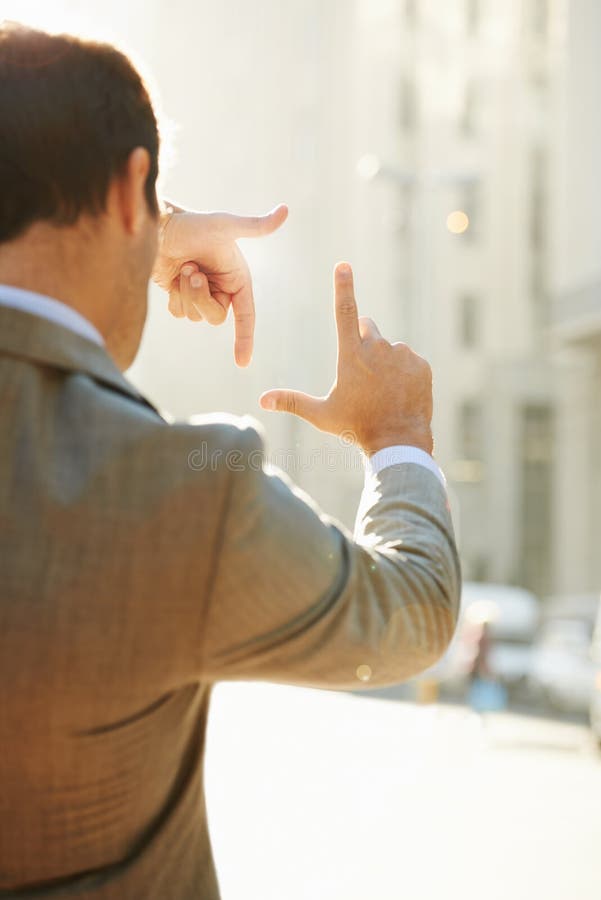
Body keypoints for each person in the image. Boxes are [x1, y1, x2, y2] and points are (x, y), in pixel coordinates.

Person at [0, 23, 461, 900]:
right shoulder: (179, 496)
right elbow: (412, 611)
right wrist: (396, 435)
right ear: (135, 183)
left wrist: (146, 225)